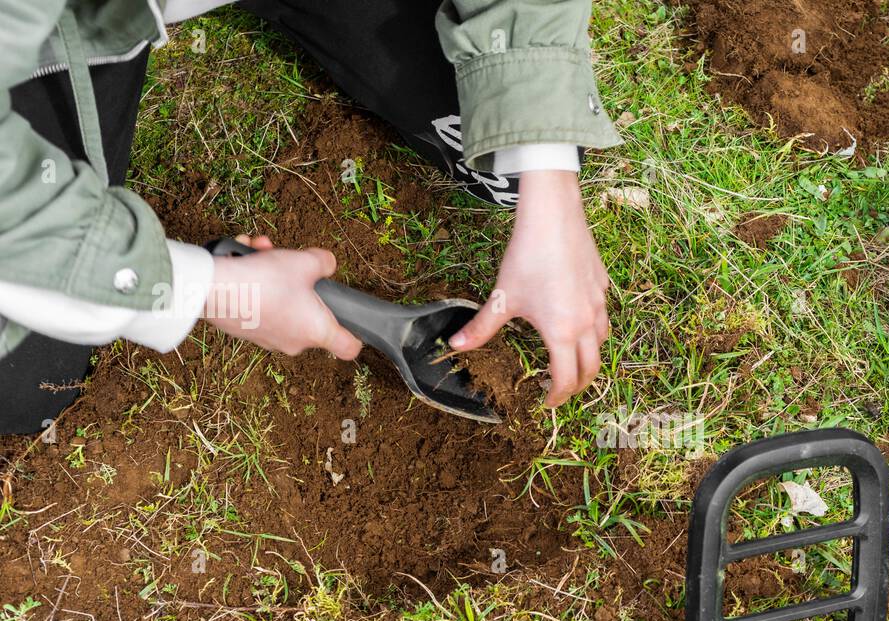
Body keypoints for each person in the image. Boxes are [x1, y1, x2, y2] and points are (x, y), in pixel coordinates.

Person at [0, 0, 620, 435]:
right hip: (66, 24)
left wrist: (550, 179)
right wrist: (201, 287)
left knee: (509, 164)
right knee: (21, 388)